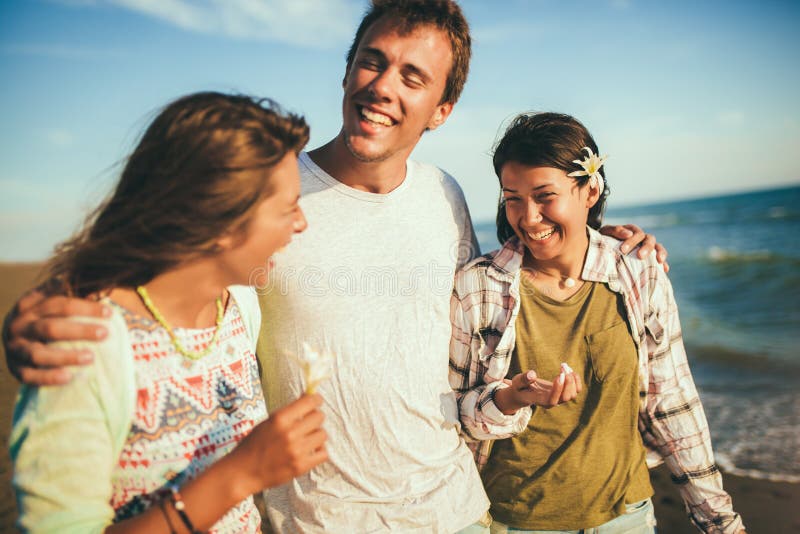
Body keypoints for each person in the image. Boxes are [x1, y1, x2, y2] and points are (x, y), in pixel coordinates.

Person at [3, 2, 666, 532]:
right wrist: (41, 311)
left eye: (412, 76)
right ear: (347, 70)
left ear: (441, 111)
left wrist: (609, 242)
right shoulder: (262, 190)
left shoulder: (446, 196)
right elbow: (161, 268)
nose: (382, 86)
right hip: (315, 521)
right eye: (372, 62)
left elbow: (500, 292)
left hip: (454, 511)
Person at [9, 92, 329, 533]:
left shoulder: (241, 308)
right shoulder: (84, 349)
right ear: (216, 222)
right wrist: (239, 476)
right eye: (287, 207)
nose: (301, 223)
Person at [449, 112, 745, 534]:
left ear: (591, 189)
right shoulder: (477, 288)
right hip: (513, 521)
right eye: (512, 197)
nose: (528, 217)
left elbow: (671, 403)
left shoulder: (639, 272)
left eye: (544, 196)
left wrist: (721, 523)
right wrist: (510, 400)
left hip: (627, 517)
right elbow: (458, 418)